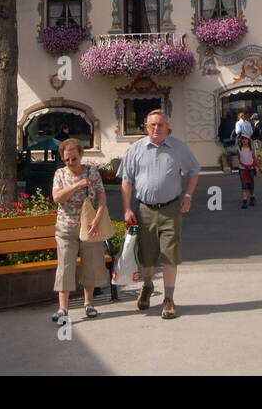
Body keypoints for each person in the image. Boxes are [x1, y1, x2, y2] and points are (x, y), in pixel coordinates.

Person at [119, 110, 201, 320]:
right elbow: (126, 180)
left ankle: (169, 299)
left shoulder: (178, 148)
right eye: (152, 125)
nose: (156, 129)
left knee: (169, 254)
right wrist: (127, 208)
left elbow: (193, 171)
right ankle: (147, 286)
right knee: (146, 257)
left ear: (167, 127)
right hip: (144, 209)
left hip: (171, 209)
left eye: (160, 125)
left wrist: (188, 195)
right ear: (146, 127)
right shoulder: (135, 149)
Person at [49, 139, 109, 322]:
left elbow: (101, 196)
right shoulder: (60, 174)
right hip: (66, 227)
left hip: (89, 225)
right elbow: (57, 197)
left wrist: (98, 218)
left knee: (90, 263)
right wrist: (77, 185)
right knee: (65, 265)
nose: (71, 163)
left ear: (81, 155)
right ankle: (63, 308)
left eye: (74, 158)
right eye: (67, 159)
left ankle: (89, 304)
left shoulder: (92, 171)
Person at [237, 134, 260, 208]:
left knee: (251, 184)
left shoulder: (251, 149)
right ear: (241, 140)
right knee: (244, 184)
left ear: (248, 140)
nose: (244, 140)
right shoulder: (239, 149)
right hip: (242, 169)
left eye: (246, 139)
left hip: (250, 169)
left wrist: (259, 167)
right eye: (243, 139)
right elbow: (239, 158)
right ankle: (244, 200)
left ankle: (252, 197)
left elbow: (254, 159)